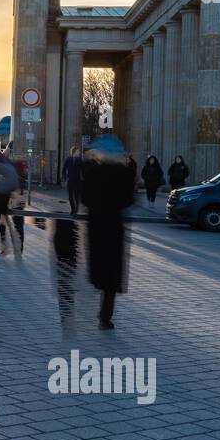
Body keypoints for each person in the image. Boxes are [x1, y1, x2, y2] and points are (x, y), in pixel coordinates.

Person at [83, 134, 136, 329]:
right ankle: (105, 316)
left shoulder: (92, 173)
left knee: (99, 266)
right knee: (112, 274)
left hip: (96, 225)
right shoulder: (125, 174)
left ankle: (96, 290)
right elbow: (129, 201)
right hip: (115, 226)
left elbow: (85, 199)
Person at [61, 144, 84, 215]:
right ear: (74, 152)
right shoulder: (68, 159)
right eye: (78, 151)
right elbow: (64, 169)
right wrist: (64, 177)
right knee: (70, 197)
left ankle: (76, 209)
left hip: (78, 181)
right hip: (70, 180)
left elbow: (83, 170)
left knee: (76, 196)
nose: (79, 153)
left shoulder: (80, 160)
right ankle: (73, 209)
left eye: (79, 151)